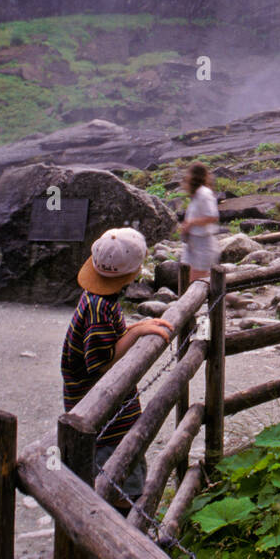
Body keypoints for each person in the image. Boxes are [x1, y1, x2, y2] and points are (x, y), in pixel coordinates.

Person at [61, 227, 174, 512]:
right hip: (103, 415)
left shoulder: (96, 297)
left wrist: (136, 326)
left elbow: (111, 338)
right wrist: (136, 335)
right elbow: (101, 364)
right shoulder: (99, 307)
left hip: (105, 411)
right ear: (132, 273)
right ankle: (124, 530)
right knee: (120, 481)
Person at [179, 161, 219, 283]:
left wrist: (191, 223)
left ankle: (236, 300)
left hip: (203, 243)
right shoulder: (197, 194)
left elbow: (212, 216)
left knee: (198, 281)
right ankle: (235, 299)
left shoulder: (204, 193)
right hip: (194, 243)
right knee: (194, 279)